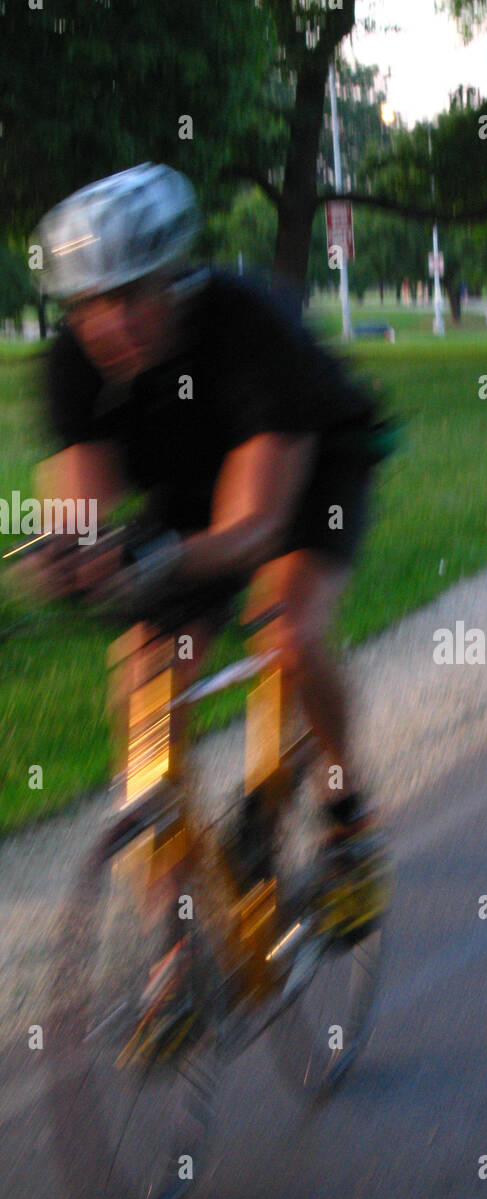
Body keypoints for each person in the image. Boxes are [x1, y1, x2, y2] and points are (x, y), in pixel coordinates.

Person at [25, 163, 390, 938]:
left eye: (130, 295)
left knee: (285, 630)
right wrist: (64, 554)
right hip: (190, 492)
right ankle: (171, 946)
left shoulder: (245, 328)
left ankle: (344, 813)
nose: (110, 324)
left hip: (309, 466)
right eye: (88, 303)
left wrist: (152, 562)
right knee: (142, 697)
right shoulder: (72, 363)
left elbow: (253, 530)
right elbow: (79, 510)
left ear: (174, 278)